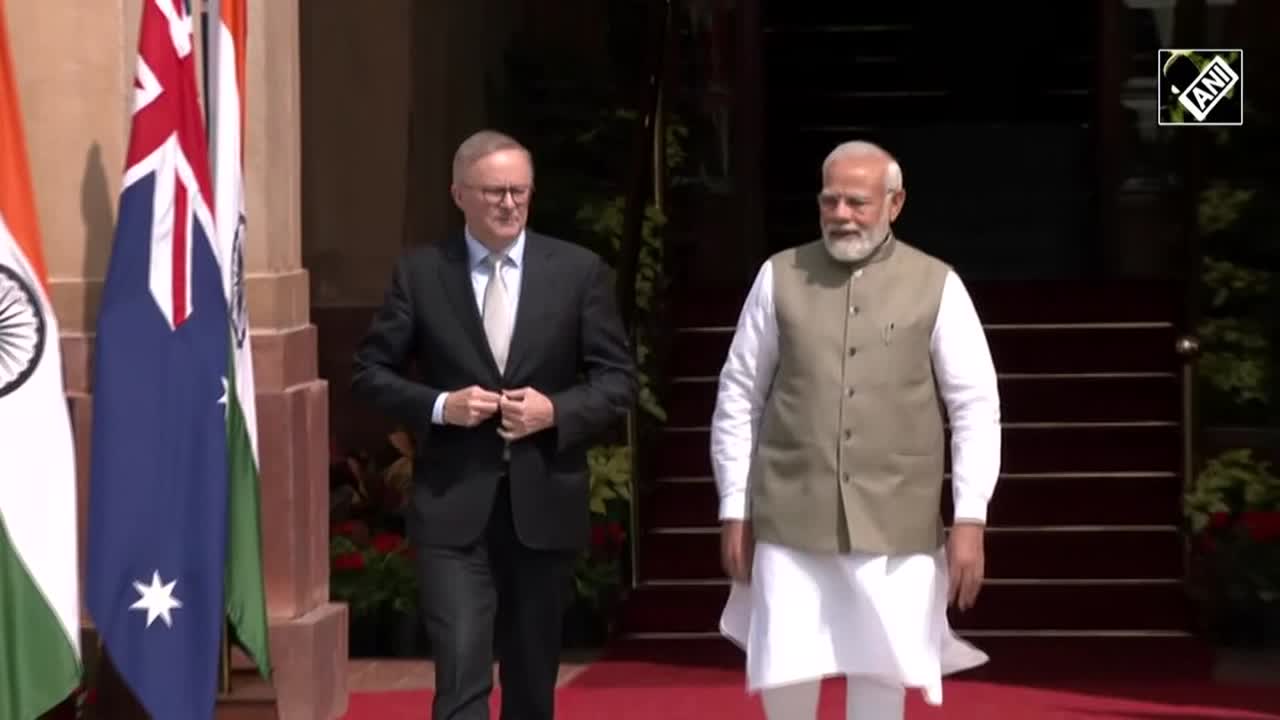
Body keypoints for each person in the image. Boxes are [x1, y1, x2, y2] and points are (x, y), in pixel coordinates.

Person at [351, 129, 636, 720]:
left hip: (543, 505)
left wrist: (554, 412)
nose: (509, 204)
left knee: (532, 688)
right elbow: (370, 373)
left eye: (520, 192)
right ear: (459, 194)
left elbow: (618, 382)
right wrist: (440, 405)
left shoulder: (578, 272)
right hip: (454, 507)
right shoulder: (423, 273)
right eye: (494, 192)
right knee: (460, 677)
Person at [711, 140, 1002, 719]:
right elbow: (738, 396)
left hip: (896, 518)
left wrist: (970, 517)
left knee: (882, 672)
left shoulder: (937, 283)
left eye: (857, 203)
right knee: (786, 667)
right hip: (791, 514)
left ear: (894, 204)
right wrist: (733, 509)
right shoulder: (779, 276)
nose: (841, 215)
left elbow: (974, 404)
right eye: (830, 201)